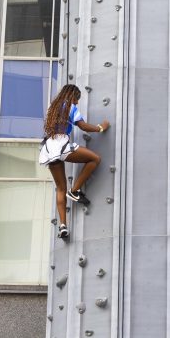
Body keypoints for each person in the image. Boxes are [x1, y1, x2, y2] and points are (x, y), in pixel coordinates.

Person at [39, 83, 109, 241]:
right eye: (77, 99)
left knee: (60, 188)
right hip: (61, 144)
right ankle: (75, 190)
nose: (77, 102)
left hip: (49, 148)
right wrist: (100, 128)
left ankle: (63, 226)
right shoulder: (69, 107)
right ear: (71, 96)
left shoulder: (52, 108)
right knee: (95, 158)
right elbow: (83, 126)